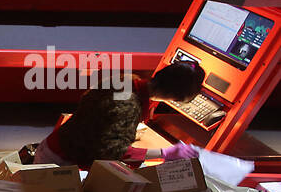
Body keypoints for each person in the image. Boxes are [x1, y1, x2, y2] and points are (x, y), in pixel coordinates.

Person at [33, 61, 204, 168]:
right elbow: (112, 152)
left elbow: (97, 111)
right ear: (176, 97)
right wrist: (164, 153)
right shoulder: (130, 105)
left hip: (52, 147)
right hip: (60, 162)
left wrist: (122, 130)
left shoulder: (127, 80)